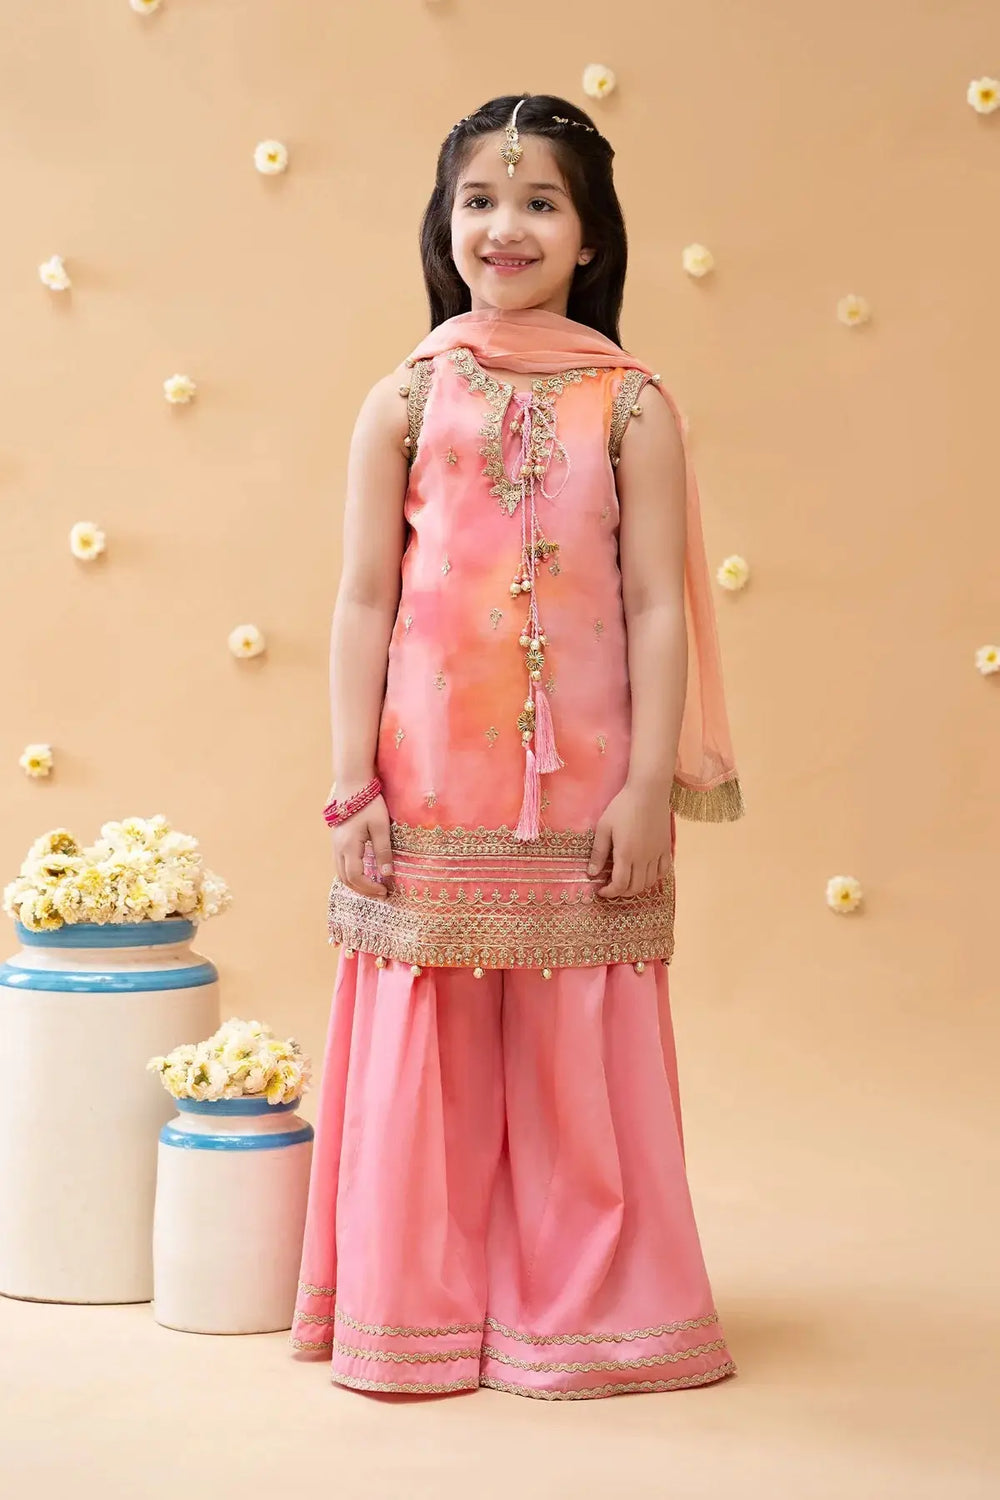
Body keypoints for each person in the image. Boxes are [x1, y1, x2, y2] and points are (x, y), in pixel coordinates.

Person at [290, 92, 745, 1400]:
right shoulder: (407, 396)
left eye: (541, 202)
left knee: (573, 1051)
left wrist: (650, 785)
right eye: (479, 200)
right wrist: (351, 785)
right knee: (426, 1043)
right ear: (443, 223)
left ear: (591, 237)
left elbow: (657, 606)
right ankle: (414, 1315)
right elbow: (363, 601)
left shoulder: (630, 405)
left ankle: (589, 1321)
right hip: (428, 780)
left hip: (589, 789)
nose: (506, 225)